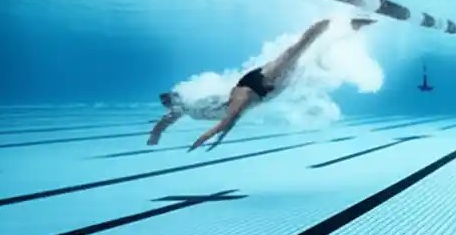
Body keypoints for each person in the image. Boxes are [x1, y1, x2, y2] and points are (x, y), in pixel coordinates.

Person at [148, 17, 375, 150]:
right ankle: (345, 29)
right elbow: (172, 118)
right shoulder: (187, 105)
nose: (171, 107)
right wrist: (155, 136)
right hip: (259, 86)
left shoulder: (246, 95)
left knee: (299, 52)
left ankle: (339, 24)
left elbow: (227, 122)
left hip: (260, 86)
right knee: (309, 58)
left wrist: (206, 139)